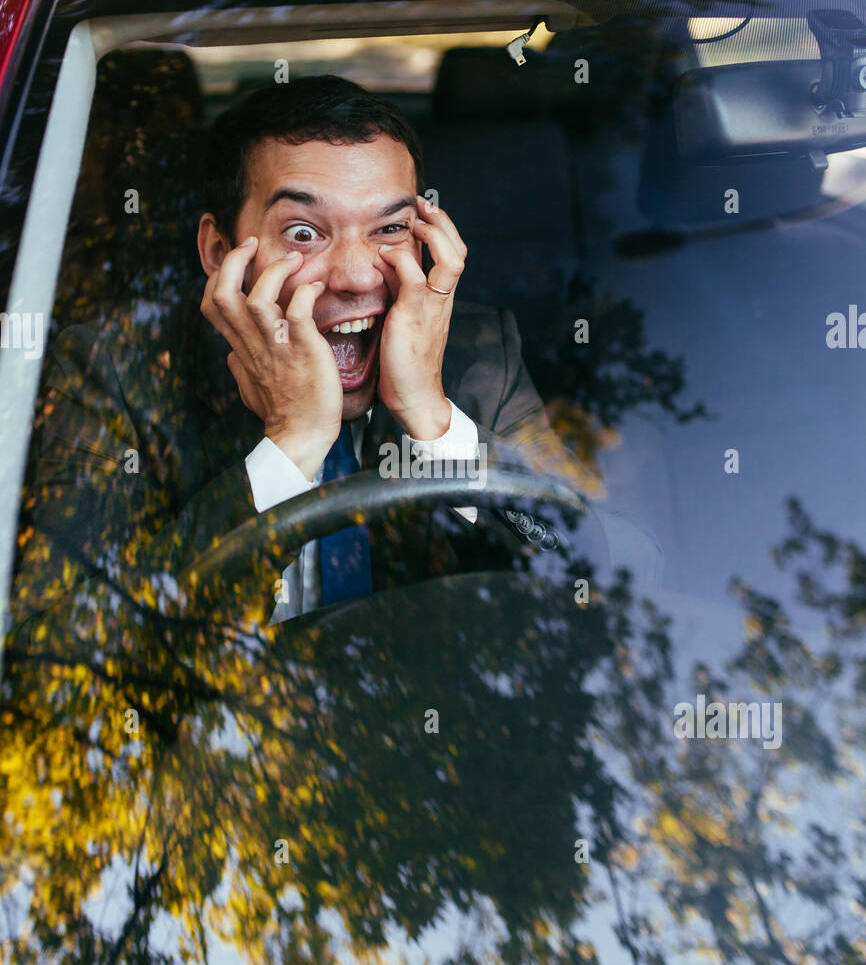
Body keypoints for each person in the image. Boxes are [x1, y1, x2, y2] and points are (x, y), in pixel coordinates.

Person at [11, 75, 603, 638]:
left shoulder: (479, 357)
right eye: (303, 232)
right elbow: (64, 643)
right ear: (220, 252)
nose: (353, 276)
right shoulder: (113, 372)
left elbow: (602, 578)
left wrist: (432, 418)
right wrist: (291, 445)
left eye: (389, 229)